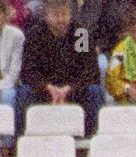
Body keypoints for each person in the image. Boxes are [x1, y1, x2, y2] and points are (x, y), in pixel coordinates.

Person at [16, 0, 105, 136]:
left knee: (94, 91)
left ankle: (91, 136)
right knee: (24, 92)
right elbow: (28, 72)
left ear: (70, 15)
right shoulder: (36, 35)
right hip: (45, 89)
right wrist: (48, 87)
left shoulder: (80, 34)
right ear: (46, 16)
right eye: (56, 15)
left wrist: (70, 88)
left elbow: (90, 70)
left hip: (74, 89)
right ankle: (22, 138)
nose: (61, 19)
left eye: (64, 15)